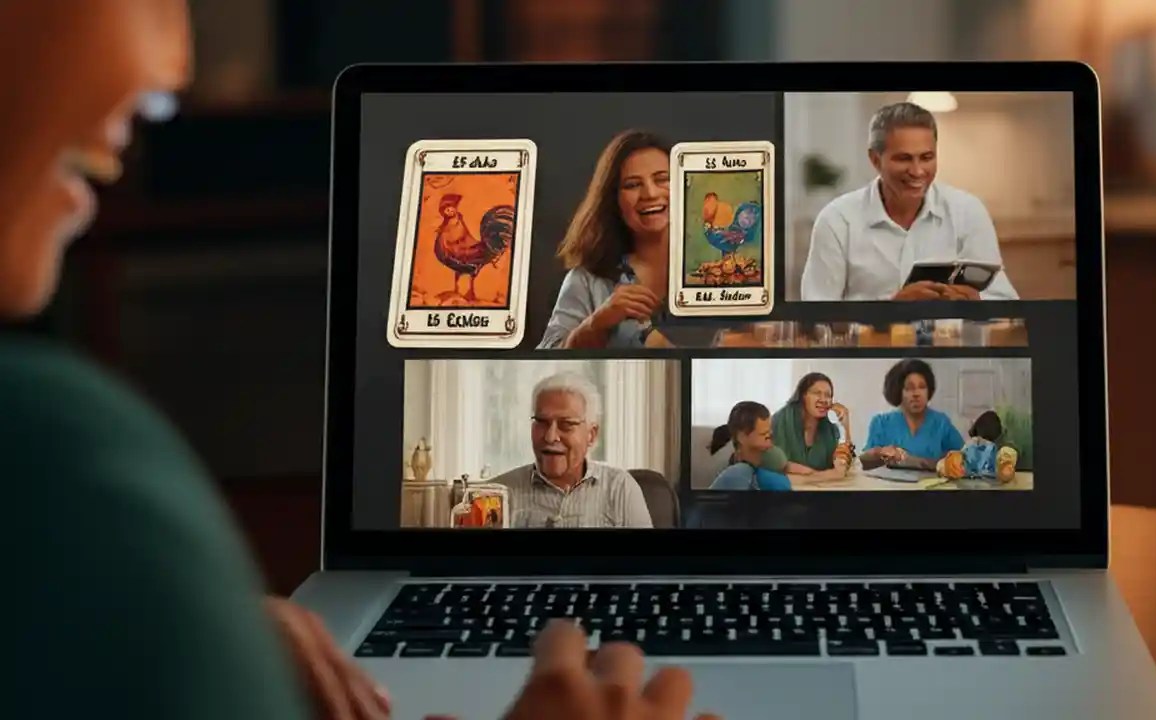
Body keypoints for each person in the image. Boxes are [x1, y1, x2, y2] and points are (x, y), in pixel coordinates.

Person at [4, 3, 711, 719]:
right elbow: (555, 352)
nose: (175, 64)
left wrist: (209, 629)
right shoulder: (50, 449)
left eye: (661, 180)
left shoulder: (725, 274)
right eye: (632, 182)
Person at [799, 101, 1019, 302]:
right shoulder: (837, 220)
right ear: (875, 160)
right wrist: (892, 310)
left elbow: (1005, 300)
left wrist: (975, 301)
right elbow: (816, 314)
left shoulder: (968, 211)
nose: (917, 171)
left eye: (926, 157)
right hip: (871, 346)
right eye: (904, 158)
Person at [538, 129, 674, 349]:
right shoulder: (588, 279)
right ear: (614, 199)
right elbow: (546, 358)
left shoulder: (723, 270)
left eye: (663, 179)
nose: (650, 193)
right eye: (632, 185)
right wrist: (596, 324)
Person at [492, 371, 653, 527]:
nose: (550, 436)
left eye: (566, 425)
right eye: (542, 422)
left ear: (592, 434)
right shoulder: (497, 494)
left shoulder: (620, 489)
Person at [706, 401, 848, 490]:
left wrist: (823, 474)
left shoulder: (765, 461)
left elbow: (793, 471)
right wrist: (831, 475)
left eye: (770, 435)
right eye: (765, 436)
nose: (770, 442)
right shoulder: (739, 472)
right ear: (742, 437)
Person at [859, 359, 965, 471]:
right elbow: (864, 462)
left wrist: (918, 462)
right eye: (909, 388)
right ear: (898, 391)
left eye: (922, 387)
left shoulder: (941, 423)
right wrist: (879, 452)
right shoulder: (881, 423)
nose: (916, 394)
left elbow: (964, 458)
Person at [769, 372, 854, 473]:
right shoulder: (781, 420)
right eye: (817, 393)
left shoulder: (830, 429)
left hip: (817, 485)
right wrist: (818, 475)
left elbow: (843, 463)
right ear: (803, 395)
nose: (823, 400)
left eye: (828, 395)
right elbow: (775, 463)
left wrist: (845, 426)